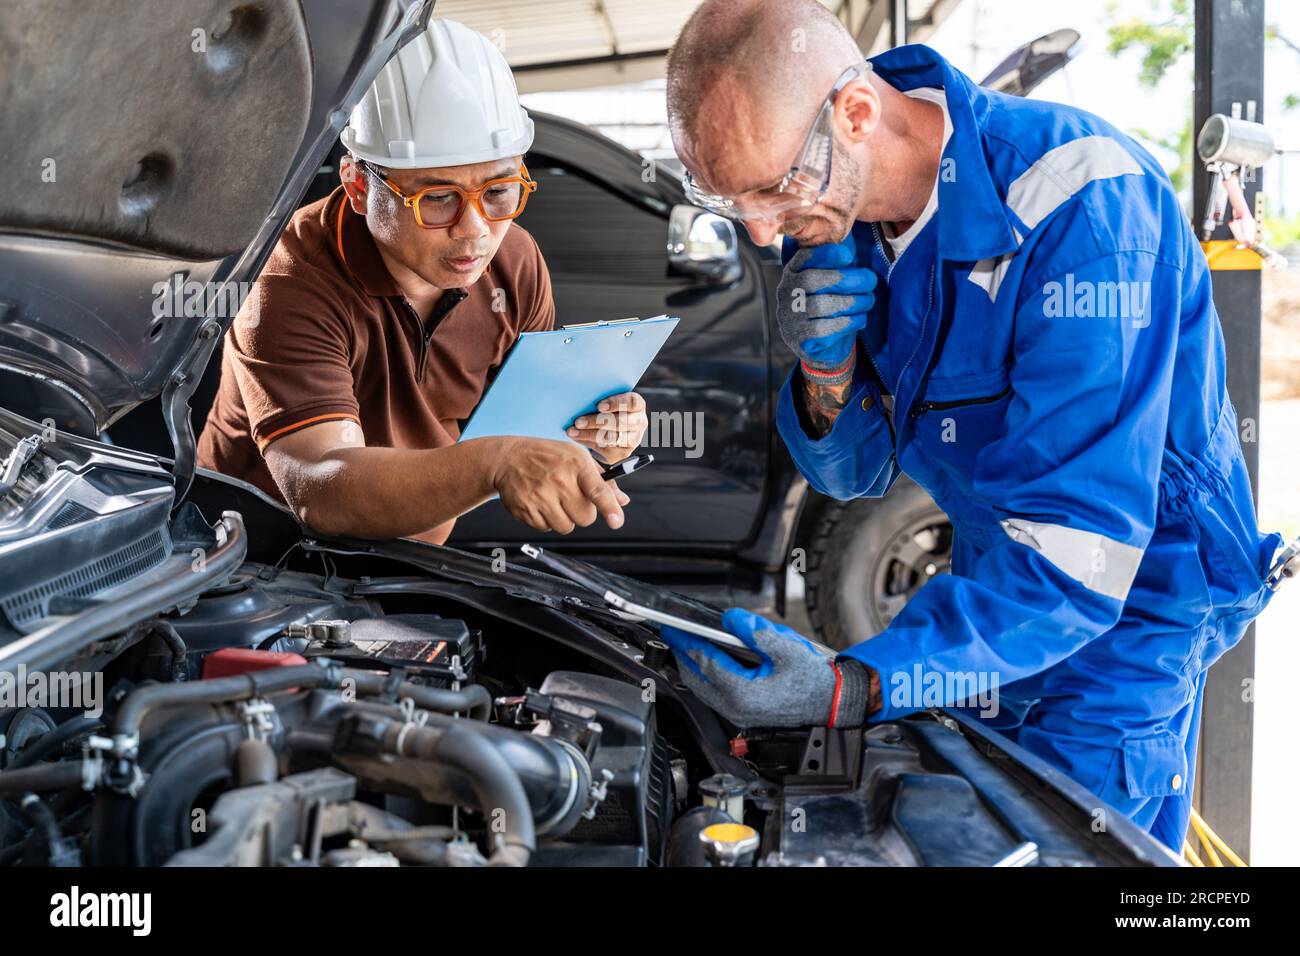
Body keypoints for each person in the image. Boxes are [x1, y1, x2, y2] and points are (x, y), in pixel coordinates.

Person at [658, 0, 1280, 853]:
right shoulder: (839, 217)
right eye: (731, 203)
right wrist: (825, 372)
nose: (762, 229)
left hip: (1130, 615)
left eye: (772, 189)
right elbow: (851, 475)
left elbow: (1079, 554)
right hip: (995, 590)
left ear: (857, 111)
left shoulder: (1081, 212)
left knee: (1072, 845)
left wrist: (855, 688)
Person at [198, 19, 647, 544]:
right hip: (261, 568)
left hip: (409, 562)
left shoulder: (514, 263)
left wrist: (595, 438)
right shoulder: (289, 281)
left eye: (499, 191)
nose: (476, 231)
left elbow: (530, 422)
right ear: (360, 186)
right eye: (438, 199)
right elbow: (322, 490)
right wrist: (494, 463)